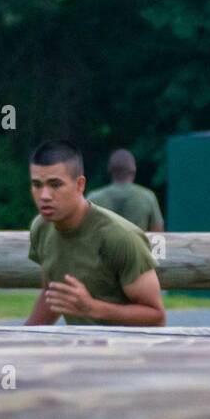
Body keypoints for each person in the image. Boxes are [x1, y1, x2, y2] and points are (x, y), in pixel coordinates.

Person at [24, 140, 165, 326]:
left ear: (80, 185)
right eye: (37, 185)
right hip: (81, 349)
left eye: (55, 185)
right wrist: (19, 340)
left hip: (130, 351)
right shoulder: (41, 227)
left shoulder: (121, 237)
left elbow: (157, 316)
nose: (44, 196)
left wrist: (93, 308)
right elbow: (53, 295)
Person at [86, 149, 165, 232]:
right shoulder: (147, 197)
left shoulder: (93, 198)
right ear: (133, 170)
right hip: (137, 244)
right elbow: (158, 235)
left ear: (110, 170)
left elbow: (84, 232)